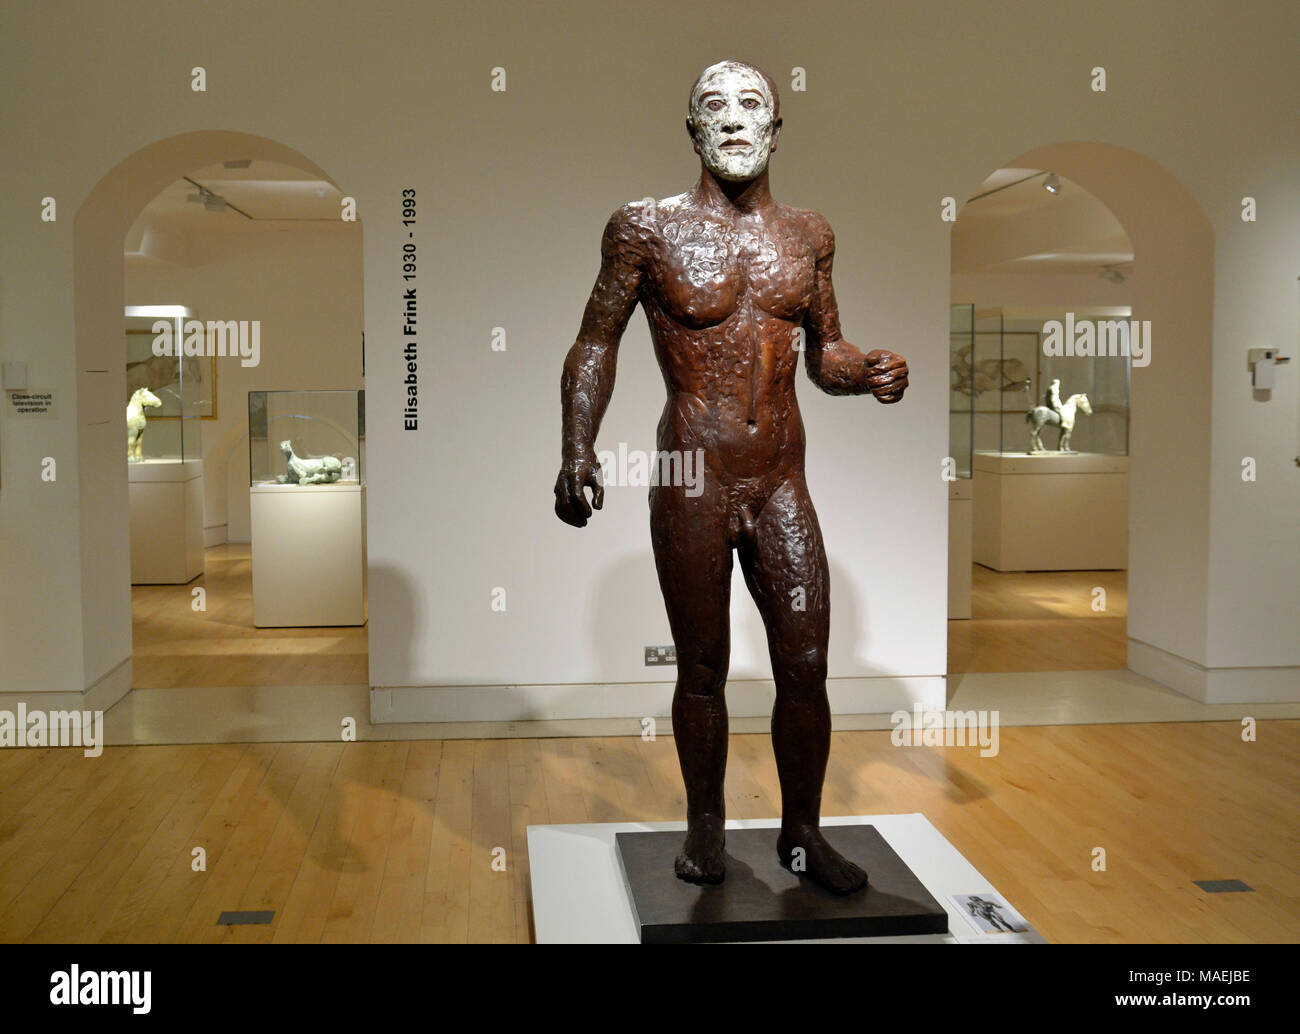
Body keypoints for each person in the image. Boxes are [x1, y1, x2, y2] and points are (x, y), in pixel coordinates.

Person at [554, 60, 908, 893]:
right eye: (715, 106)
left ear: (778, 128)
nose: (736, 119)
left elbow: (827, 354)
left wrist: (869, 371)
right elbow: (595, 341)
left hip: (781, 475)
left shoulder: (808, 234)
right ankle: (707, 828)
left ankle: (803, 835)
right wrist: (578, 448)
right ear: (693, 130)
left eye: (753, 105)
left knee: (807, 663)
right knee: (702, 666)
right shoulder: (646, 228)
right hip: (691, 468)